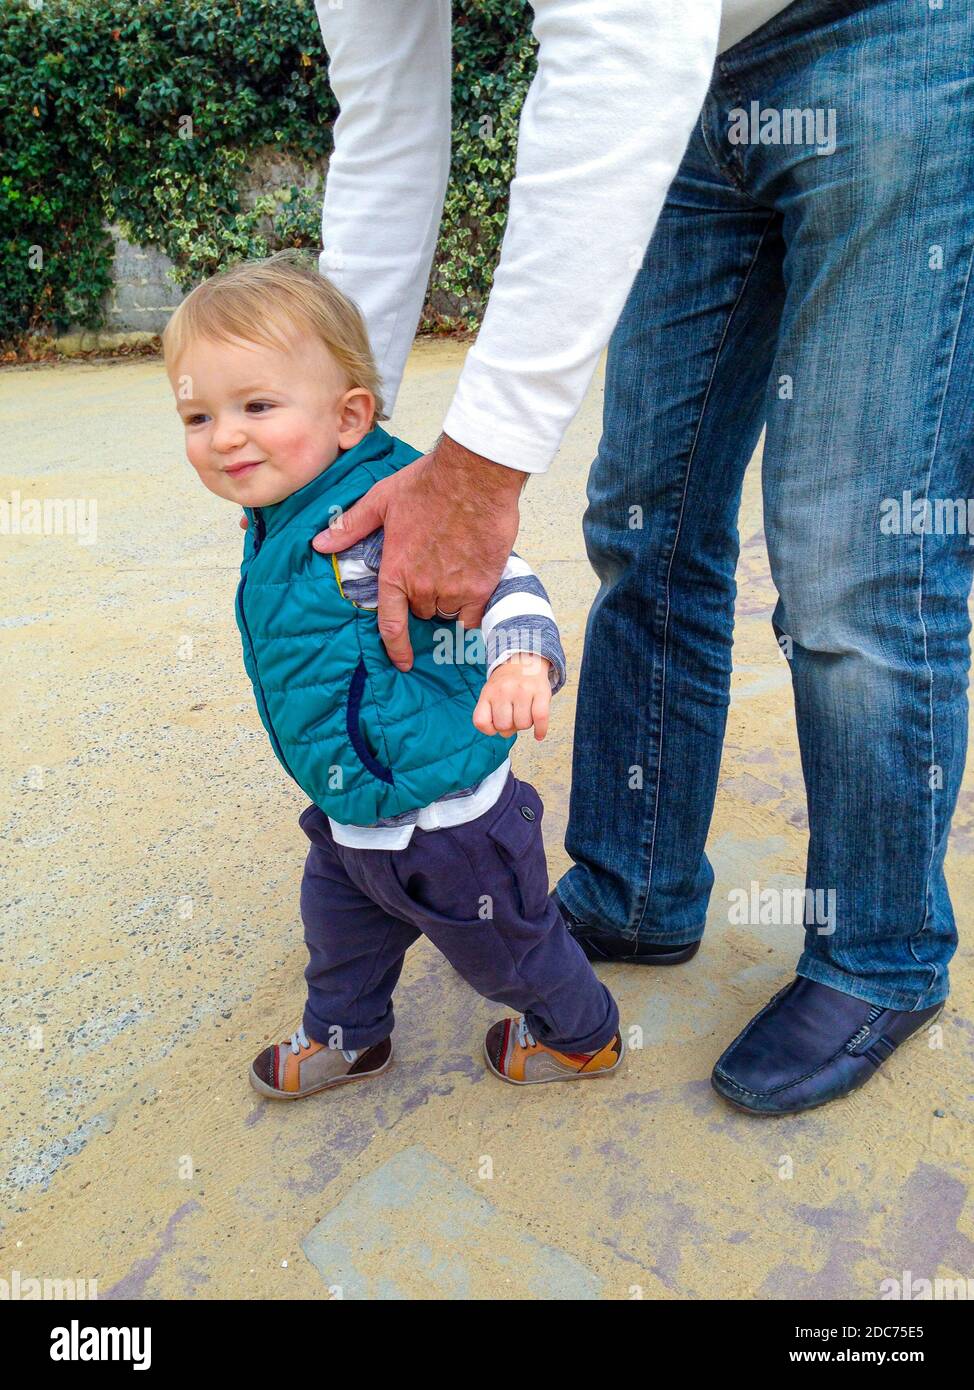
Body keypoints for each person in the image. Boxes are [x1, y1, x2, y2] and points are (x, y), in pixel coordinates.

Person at [311, 0, 970, 1113]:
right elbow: (386, 130)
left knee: (847, 559)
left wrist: (476, 471)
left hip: (888, 34)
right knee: (640, 521)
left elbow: (620, 32)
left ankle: (880, 950)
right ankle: (631, 889)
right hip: (690, 79)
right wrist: (323, 447)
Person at [162, 252, 623, 1095]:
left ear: (349, 418)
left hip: (447, 824)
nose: (224, 436)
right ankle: (348, 1036)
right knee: (340, 938)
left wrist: (522, 657)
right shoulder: (280, 513)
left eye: (257, 406)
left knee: (513, 949)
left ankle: (581, 1033)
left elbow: (505, 573)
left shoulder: (374, 513)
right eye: (198, 415)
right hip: (352, 809)